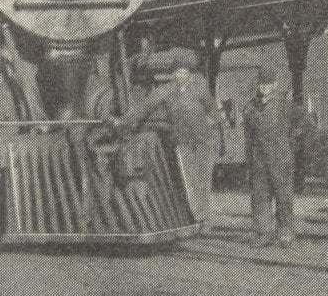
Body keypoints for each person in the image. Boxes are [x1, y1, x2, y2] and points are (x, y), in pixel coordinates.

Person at [112, 48, 220, 227]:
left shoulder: (200, 87)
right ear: (173, 74)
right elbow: (145, 107)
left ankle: (204, 219)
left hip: (204, 143)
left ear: (190, 73)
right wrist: (123, 122)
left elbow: (213, 111)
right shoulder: (166, 91)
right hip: (184, 142)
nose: (180, 76)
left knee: (203, 181)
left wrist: (210, 123)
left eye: (184, 72)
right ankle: (197, 218)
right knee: (190, 181)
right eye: (177, 72)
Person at [242, 68, 296, 248]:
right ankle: (263, 232)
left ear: (275, 84)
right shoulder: (250, 107)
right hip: (259, 159)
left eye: (267, 84)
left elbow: (298, 128)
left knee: (283, 197)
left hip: (280, 159)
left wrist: (290, 150)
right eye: (261, 84)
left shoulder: (284, 105)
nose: (264, 88)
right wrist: (248, 159)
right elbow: (248, 136)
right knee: (260, 197)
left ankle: (285, 232)